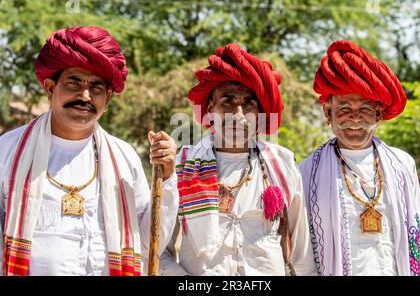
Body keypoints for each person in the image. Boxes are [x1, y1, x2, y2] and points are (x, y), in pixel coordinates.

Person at [0, 26, 179, 276]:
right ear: (51, 88)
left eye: (95, 87)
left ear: (107, 98)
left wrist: (168, 176)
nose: (84, 95)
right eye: (74, 82)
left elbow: (148, 241)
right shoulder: (7, 151)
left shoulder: (125, 158)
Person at [159, 43, 315, 276]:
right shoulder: (181, 165)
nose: (239, 114)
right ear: (210, 107)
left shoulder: (281, 164)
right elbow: (160, 253)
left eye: (248, 103)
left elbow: (302, 257)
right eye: (228, 102)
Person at [298, 39, 420, 276]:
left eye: (364, 108)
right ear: (328, 113)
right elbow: (304, 256)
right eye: (343, 109)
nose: (354, 118)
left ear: (378, 114)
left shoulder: (402, 164)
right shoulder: (307, 172)